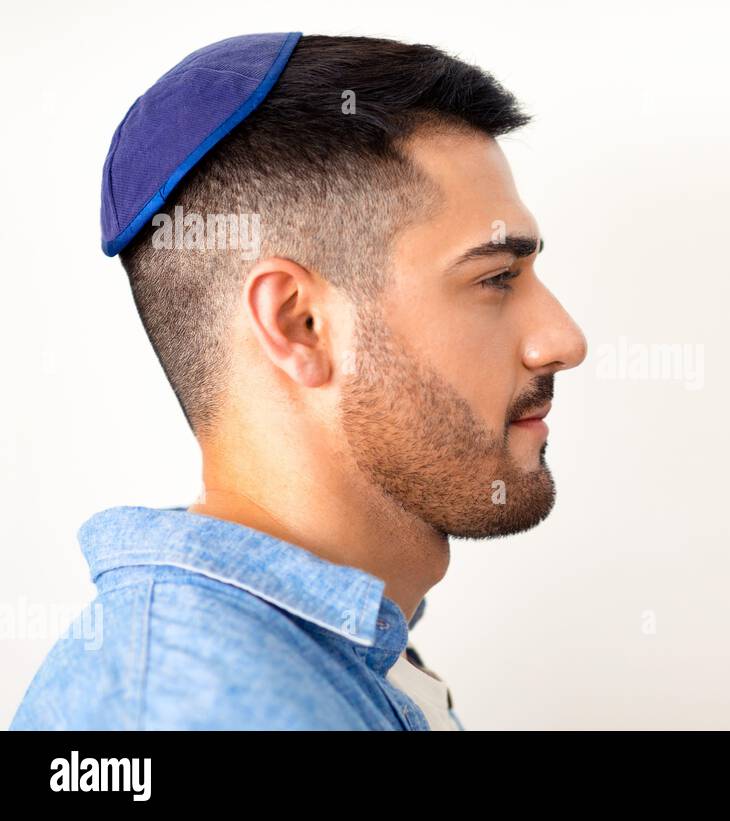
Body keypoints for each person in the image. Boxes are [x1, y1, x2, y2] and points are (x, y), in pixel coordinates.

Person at [10, 32, 587, 730]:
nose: (564, 340)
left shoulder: (339, 654)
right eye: (495, 277)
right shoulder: (192, 710)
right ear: (299, 324)